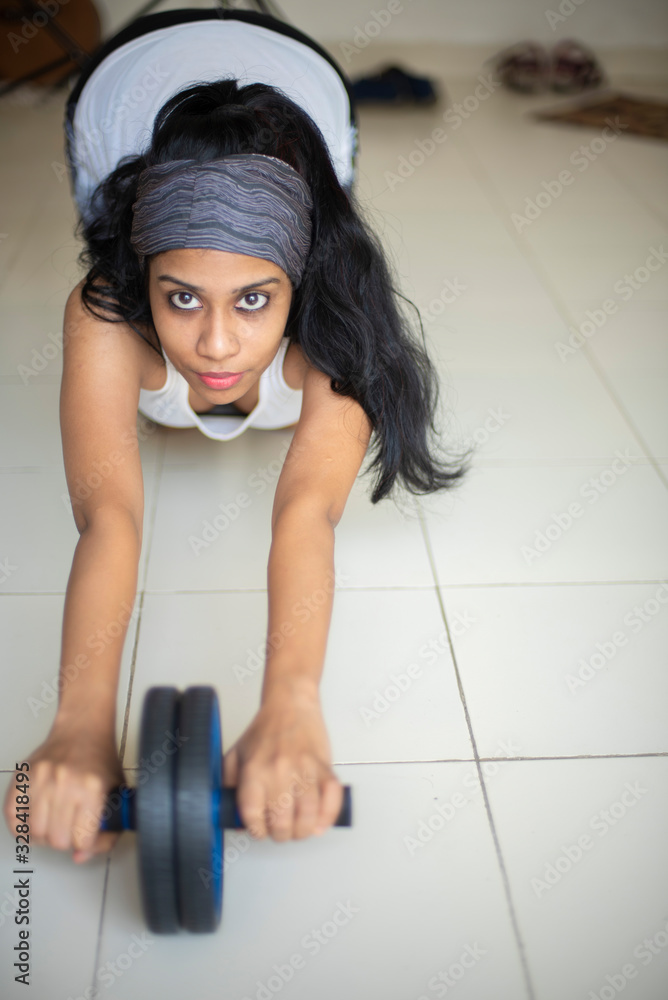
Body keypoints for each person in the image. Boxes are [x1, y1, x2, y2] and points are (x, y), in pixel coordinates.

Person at [3, 6, 470, 863]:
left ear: (296, 285)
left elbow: (304, 515)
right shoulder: (106, 313)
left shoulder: (336, 327)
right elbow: (111, 517)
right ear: (144, 280)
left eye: (253, 298)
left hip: (301, 76)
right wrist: (77, 726)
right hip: (122, 83)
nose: (217, 345)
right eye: (182, 296)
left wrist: (292, 704)